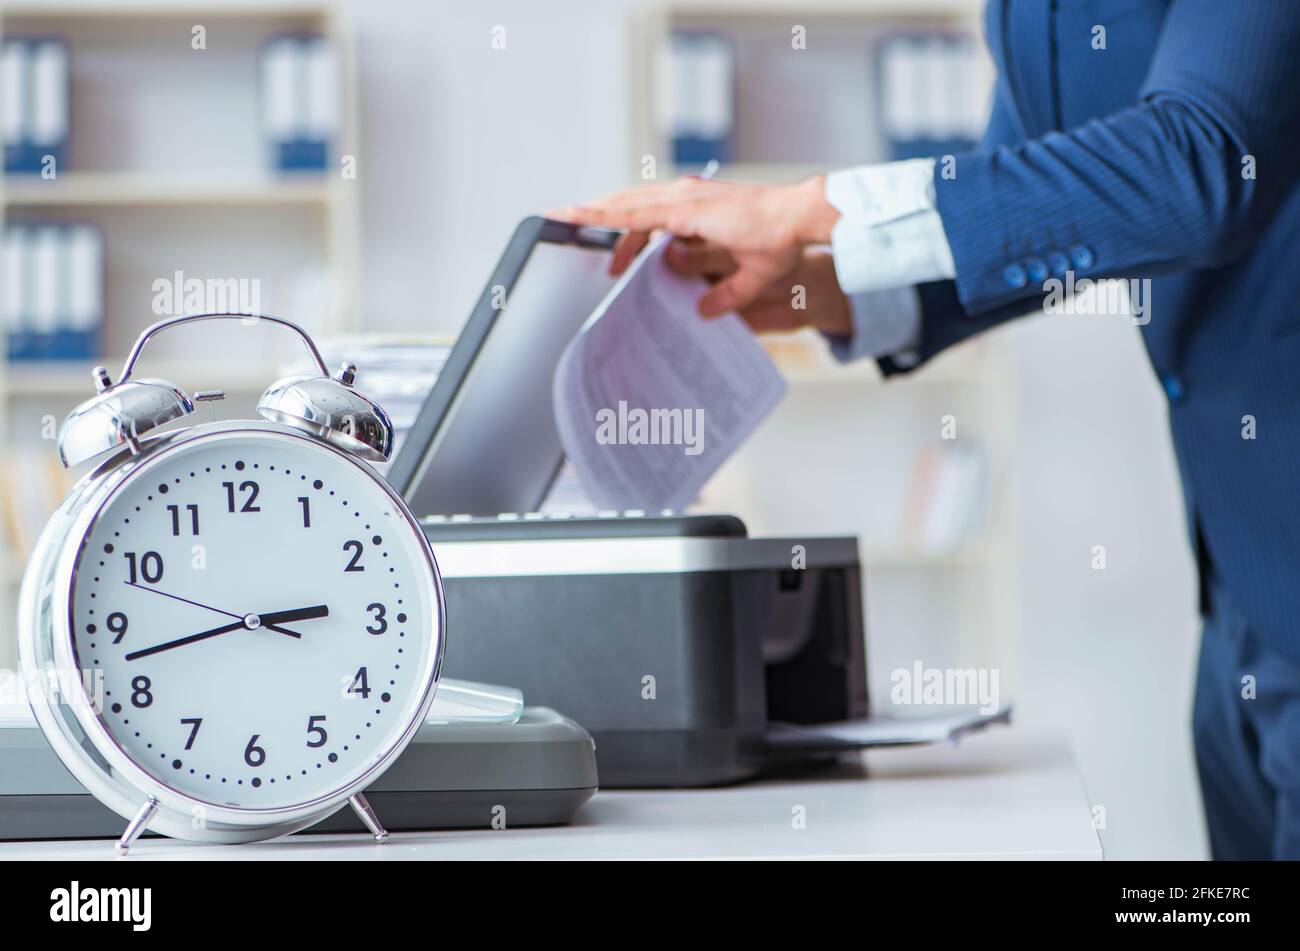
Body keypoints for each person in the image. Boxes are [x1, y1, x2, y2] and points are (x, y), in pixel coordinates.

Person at [551, 0, 1300, 860]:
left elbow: (1195, 165)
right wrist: (805, 287)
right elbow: (1026, 203)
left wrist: (810, 207)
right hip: (1239, 570)